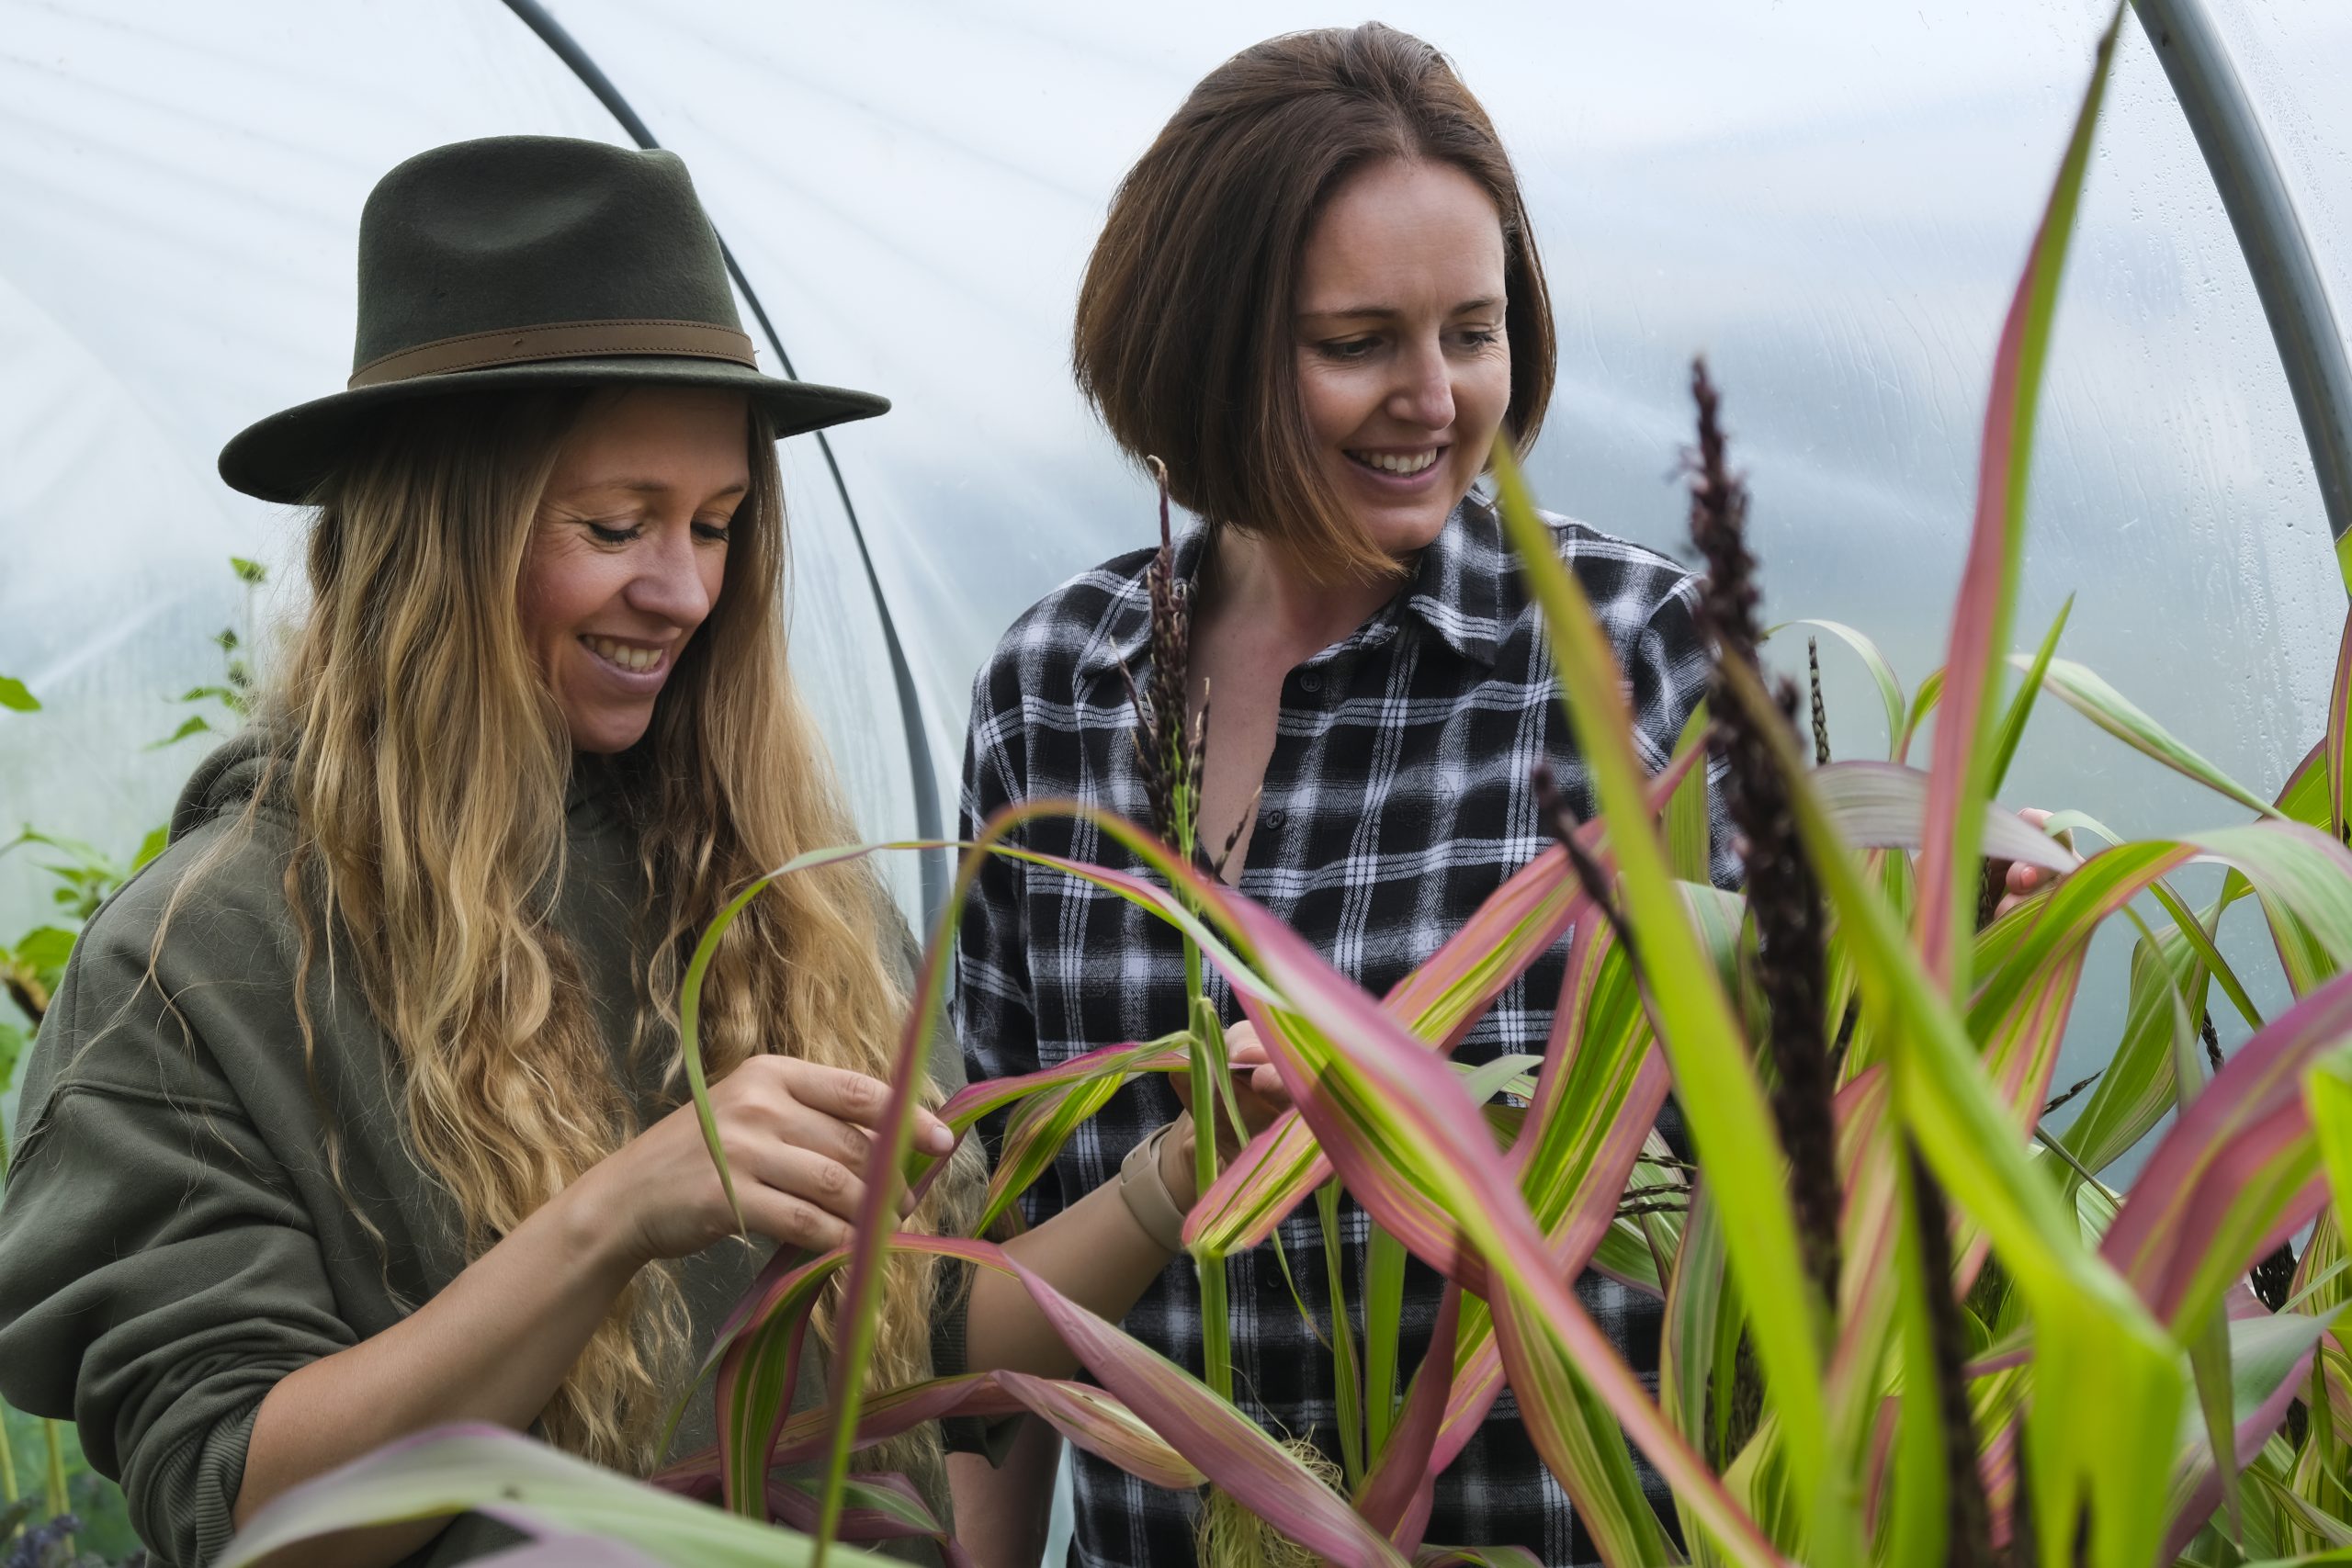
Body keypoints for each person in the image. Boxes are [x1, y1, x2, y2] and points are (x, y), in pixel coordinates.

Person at [0, 136, 1247, 1568]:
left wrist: (1180, 1168)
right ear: (439, 531)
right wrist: (614, 1216)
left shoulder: (780, 896)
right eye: (615, 525)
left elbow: (938, 1334)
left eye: (716, 526)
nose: (685, 591)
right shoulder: (204, 963)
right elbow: (252, 1513)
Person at [956, 24, 1742, 1565]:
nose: (1434, 399)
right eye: (1358, 341)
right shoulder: (1055, 691)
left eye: (1474, 332)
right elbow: (989, 1281)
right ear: (1208, 351)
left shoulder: (1642, 658)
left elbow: (1808, 1180)